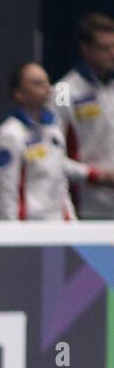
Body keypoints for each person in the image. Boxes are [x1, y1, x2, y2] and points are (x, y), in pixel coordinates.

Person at [0, 62, 114, 220]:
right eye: (37, 83)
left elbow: (60, 177)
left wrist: (71, 222)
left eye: (46, 82)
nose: (47, 88)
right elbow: (7, 193)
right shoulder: (9, 135)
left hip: (57, 222)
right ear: (18, 94)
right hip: (30, 226)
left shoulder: (53, 129)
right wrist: (12, 236)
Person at [55, 13, 114, 218]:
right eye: (105, 48)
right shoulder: (63, 91)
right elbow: (53, 156)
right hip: (88, 206)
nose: (112, 53)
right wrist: (95, 175)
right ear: (86, 49)